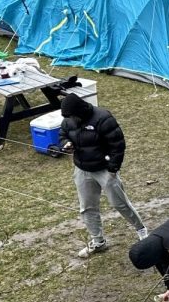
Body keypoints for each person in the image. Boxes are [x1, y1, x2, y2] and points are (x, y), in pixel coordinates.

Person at [59, 94, 147, 258]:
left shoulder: (103, 118)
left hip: (105, 169)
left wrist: (113, 169)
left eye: (71, 116)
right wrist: (66, 143)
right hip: (82, 169)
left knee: (120, 203)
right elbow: (63, 133)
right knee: (87, 207)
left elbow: (118, 144)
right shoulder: (68, 120)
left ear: (79, 111)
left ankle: (141, 230)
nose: (69, 120)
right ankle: (98, 241)